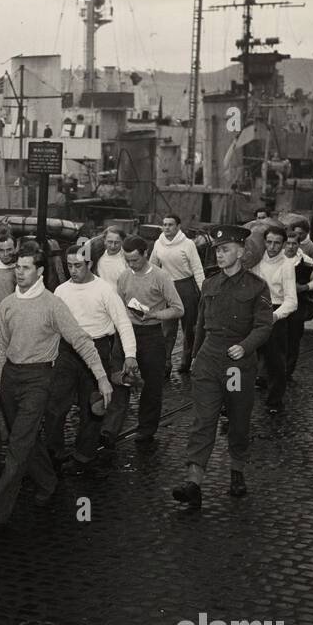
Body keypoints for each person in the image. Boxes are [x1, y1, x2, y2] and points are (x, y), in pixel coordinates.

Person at [0, 242, 112, 528]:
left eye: (25, 268)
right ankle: (48, 480)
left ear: (39, 271)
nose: (19, 273)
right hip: (9, 379)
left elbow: (80, 340)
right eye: (17, 267)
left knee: (17, 444)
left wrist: (101, 377)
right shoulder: (7, 305)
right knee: (26, 438)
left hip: (39, 380)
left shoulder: (53, 305)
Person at [171, 225, 273, 507]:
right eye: (217, 249)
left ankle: (237, 471)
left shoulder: (257, 286)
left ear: (241, 252)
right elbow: (200, 324)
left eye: (225, 249)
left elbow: (265, 326)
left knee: (238, 420)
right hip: (208, 360)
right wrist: (194, 356)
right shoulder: (209, 284)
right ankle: (193, 482)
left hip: (236, 366)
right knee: (203, 421)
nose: (219, 254)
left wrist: (246, 346)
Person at [46, 245, 137, 470]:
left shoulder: (105, 290)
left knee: (93, 405)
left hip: (97, 348)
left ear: (89, 264)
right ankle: (54, 453)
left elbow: (123, 323)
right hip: (67, 351)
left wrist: (130, 355)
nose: (73, 270)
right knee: (56, 404)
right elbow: (51, 326)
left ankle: (84, 455)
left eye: (78, 265)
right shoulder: (61, 291)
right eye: (69, 266)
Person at [114, 234, 184, 446]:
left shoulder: (161, 277)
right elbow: (118, 305)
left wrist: (154, 315)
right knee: (119, 379)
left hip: (152, 335)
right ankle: (111, 427)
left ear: (146, 254)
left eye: (135, 259)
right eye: (127, 260)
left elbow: (178, 309)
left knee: (151, 386)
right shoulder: (124, 276)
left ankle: (146, 429)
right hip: (127, 334)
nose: (131, 264)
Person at [250, 225, 298, 414]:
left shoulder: (287, 265)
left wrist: (275, 316)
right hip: (253, 312)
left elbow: (292, 301)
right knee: (241, 358)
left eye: (277, 243)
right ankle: (233, 403)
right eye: (269, 242)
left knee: (275, 362)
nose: (272, 247)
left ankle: (274, 401)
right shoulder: (255, 261)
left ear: (284, 244)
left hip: (275, 314)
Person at [150, 214, 205, 375]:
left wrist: (204, 291)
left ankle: (186, 362)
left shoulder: (188, 244)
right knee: (167, 329)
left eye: (170, 225)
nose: (166, 228)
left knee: (189, 328)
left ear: (178, 227)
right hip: (167, 288)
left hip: (186, 286)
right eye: (164, 224)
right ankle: (165, 363)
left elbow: (197, 268)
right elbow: (153, 266)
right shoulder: (158, 243)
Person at [282, 222, 313, 379]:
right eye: (288, 243)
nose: (291, 247)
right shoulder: (276, 259)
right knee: (276, 338)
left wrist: (304, 287)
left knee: (293, 338)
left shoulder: (306, 261)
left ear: (299, 245)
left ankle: (287, 371)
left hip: (298, 304)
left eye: (294, 244)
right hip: (278, 303)